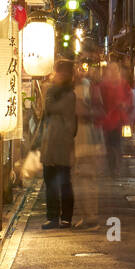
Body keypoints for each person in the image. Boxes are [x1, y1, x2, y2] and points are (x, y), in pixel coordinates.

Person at [41, 59, 77, 228]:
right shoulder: (54, 91)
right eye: (57, 71)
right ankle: (52, 216)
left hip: (62, 143)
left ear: (68, 75)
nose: (57, 75)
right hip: (50, 143)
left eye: (60, 72)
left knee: (63, 182)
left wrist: (49, 91)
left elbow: (51, 108)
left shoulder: (69, 95)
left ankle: (65, 217)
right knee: (50, 182)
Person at [72, 62, 104, 227]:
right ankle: (88, 216)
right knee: (85, 178)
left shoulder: (82, 87)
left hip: (85, 138)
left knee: (85, 178)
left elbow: (80, 109)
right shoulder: (89, 86)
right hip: (89, 137)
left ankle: (90, 217)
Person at [96, 60, 135, 175]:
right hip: (107, 119)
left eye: (115, 69)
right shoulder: (104, 85)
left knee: (118, 143)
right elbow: (99, 100)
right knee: (109, 144)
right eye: (111, 69)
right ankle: (112, 166)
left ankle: (116, 166)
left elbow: (129, 99)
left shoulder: (123, 84)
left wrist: (124, 104)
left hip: (120, 119)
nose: (113, 72)